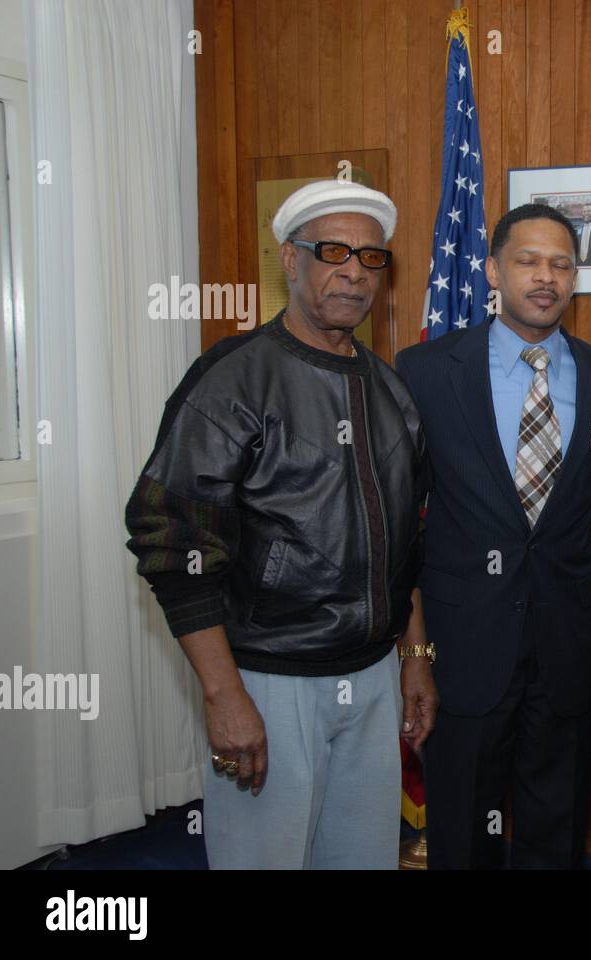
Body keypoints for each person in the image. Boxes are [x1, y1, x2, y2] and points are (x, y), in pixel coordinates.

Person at [124, 180, 437, 869]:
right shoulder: (233, 379)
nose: (353, 271)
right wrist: (224, 693)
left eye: (371, 257)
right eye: (332, 252)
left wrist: (415, 657)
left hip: (373, 677)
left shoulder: (391, 392)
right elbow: (171, 540)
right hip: (269, 681)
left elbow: (408, 539)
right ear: (290, 262)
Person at [395, 203, 591, 869]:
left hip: (566, 650)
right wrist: (415, 652)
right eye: (528, 260)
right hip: (462, 651)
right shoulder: (423, 373)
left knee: (554, 837)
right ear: (495, 269)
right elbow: (399, 520)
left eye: (561, 264)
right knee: (461, 836)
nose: (546, 277)